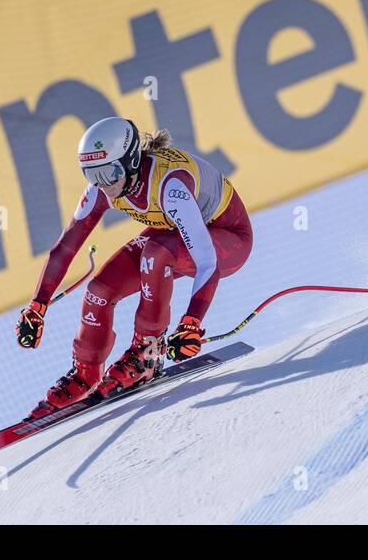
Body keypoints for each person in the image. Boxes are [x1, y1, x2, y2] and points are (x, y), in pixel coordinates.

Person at [15, 117, 253, 418]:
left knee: (155, 253)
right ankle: (86, 374)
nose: (103, 184)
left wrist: (191, 321)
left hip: (227, 242)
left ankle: (147, 354)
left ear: (130, 162)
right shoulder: (103, 188)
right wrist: (38, 305)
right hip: (173, 236)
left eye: (109, 172)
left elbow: (207, 260)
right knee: (99, 291)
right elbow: (66, 247)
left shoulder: (170, 185)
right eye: (92, 174)